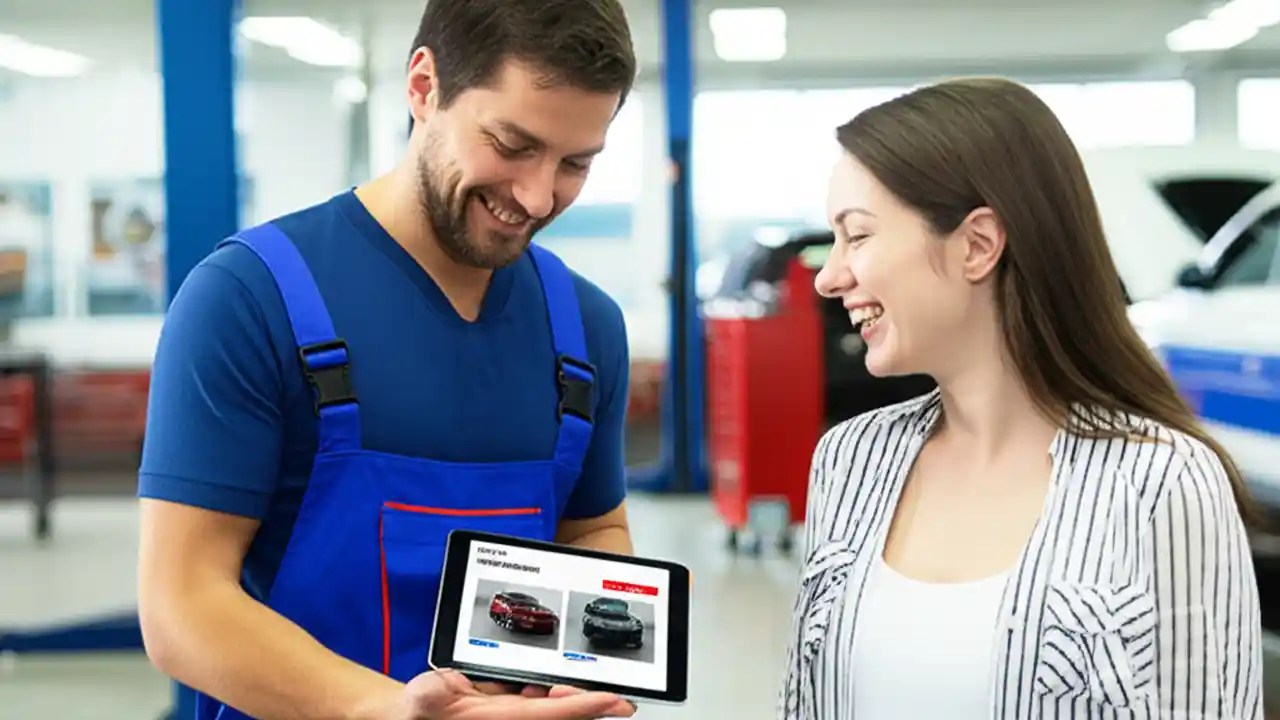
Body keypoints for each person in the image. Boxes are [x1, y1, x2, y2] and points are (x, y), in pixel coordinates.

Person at [136, 1, 640, 718]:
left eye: (575, 163)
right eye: (512, 144)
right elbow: (182, 604)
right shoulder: (248, 300)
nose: (536, 196)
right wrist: (391, 710)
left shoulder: (586, 329)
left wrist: (596, 651)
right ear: (424, 86)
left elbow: (591, 529)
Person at [779, 77, 1263, 720]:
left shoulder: (1161, 484)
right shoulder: (849, 461)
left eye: (858, 236)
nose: (828, 277)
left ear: (978, 244)